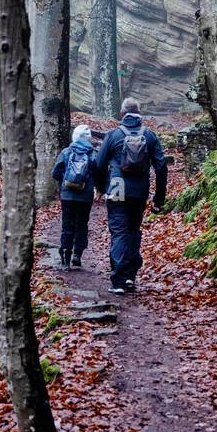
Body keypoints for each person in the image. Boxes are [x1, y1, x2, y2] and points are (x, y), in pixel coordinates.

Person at [94, 97, 167, 294]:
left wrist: (101, 187)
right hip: (140, 190)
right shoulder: (150, 135)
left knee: (119, 231)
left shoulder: (113, 135)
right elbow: (161, 167)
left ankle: (118, 279)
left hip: (117, 188)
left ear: (122, 113)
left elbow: (99, 165)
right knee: (133, 230)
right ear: (139, 113)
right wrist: (159, 197)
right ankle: (129, 277)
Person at [52, 124, 96, 269]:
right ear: (88, 138)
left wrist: (63, 185)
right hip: (85, 196)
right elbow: (98, 173)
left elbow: (55, 173)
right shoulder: (93, 154)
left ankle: (65, 258)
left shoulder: (66, 152)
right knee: (82, 224)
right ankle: (77, 255)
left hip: (68, 196)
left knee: (67, 225)